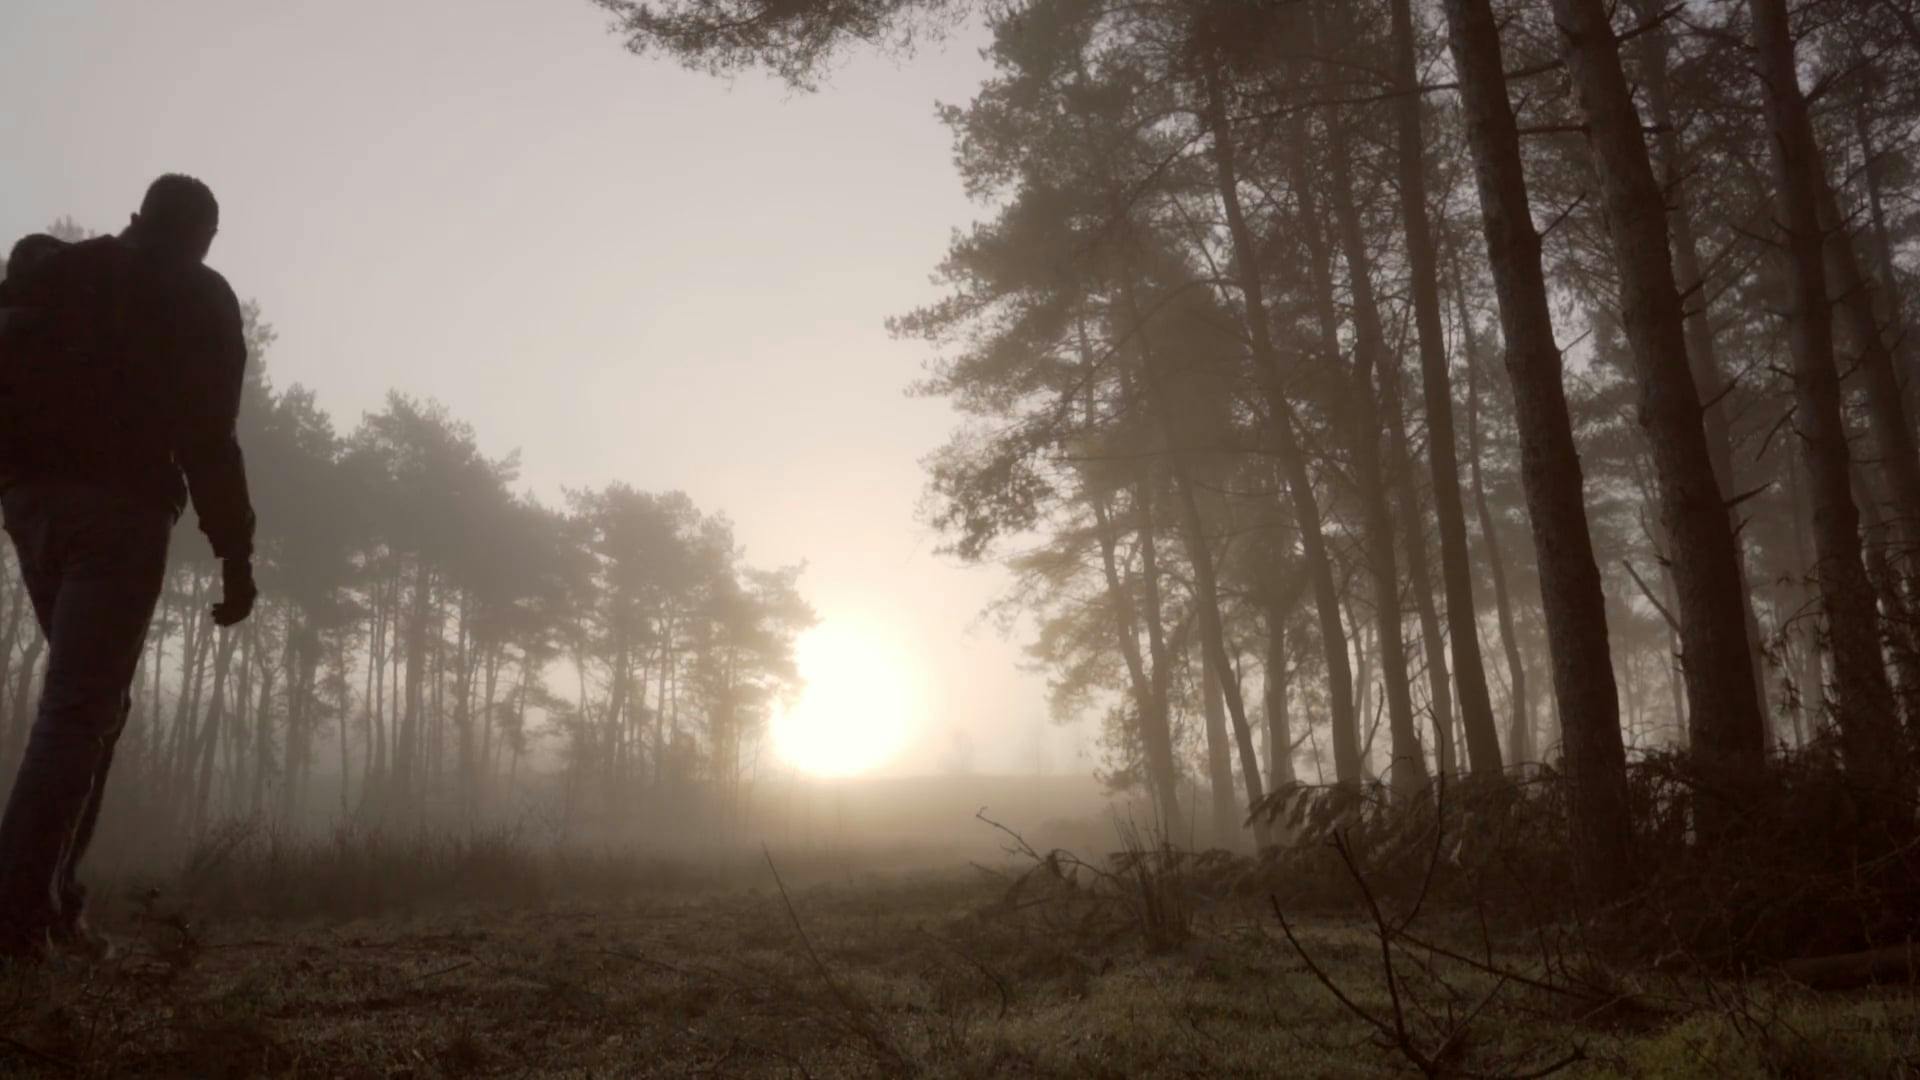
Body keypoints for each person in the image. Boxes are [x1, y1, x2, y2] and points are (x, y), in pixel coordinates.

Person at [0, 175, 258, 960]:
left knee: (93, 708)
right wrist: (236, 553)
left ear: (138, 216)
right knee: (81, 709)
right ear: (204, 235)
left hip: (31, 506)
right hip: (119, 516)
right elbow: (209, 440)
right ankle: (15, 919)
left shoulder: (55, 271)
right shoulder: (200, 296)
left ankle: (55, 904)